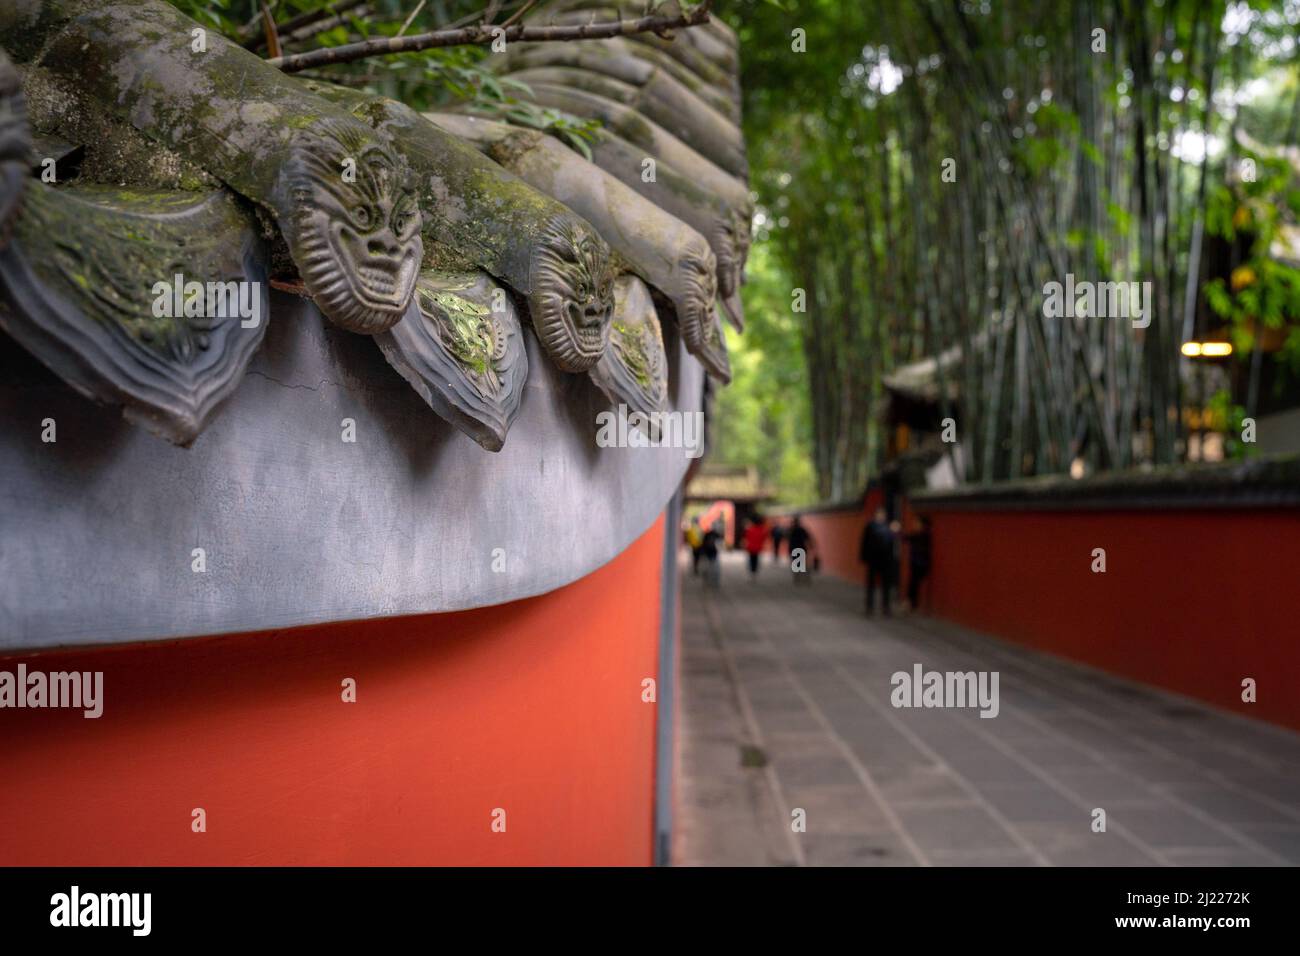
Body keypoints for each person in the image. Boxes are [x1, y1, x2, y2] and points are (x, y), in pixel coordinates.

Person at [859, 507, 896, 615]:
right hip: (873, 558)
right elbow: (864, 542)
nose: (881, 516)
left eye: (883, 514)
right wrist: (863, 556)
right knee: (871, 584)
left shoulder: (889, 527)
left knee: (886, 584)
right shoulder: (870, 526)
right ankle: (869, 607)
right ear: (876, 515)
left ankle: (886, 607)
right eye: (880, 514)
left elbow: (893, 541)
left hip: (886, 559)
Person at [906, 516, 932, 611]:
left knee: (914, 583)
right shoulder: (917, 535)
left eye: (917, 523)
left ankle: (912, 604)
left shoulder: (924, 536)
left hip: (921, 563)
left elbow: (908, 538)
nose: (915, 525)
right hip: (915, 562)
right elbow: (906, 537)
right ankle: (912, 603)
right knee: (912, 583)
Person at [786, 515, 814, 585]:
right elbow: (808, 538)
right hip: (801, 548)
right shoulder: (802, 529)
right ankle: (803, 578)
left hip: (793, 548)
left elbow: (786, 537)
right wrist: (811, 546)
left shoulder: (790, 530)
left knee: (796, 564)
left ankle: (797, 578)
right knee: (802, 564)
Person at [743, 514, 767, 580]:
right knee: (756, 560)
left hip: (751, 547)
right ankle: (754, 571)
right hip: (758, 547)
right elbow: (763, 538)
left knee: (751, 559)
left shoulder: (750, 529)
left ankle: (752, 572)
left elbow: (746, 537)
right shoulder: (762, 530)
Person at [702, 521, 722, 589]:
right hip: (713, 552)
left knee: (709, 567)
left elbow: (703, 543)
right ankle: (713, 580)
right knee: (714, 567)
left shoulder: (707, 534)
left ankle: (708, 580)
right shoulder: (716, 534)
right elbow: (720, 543)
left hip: (709, 552)